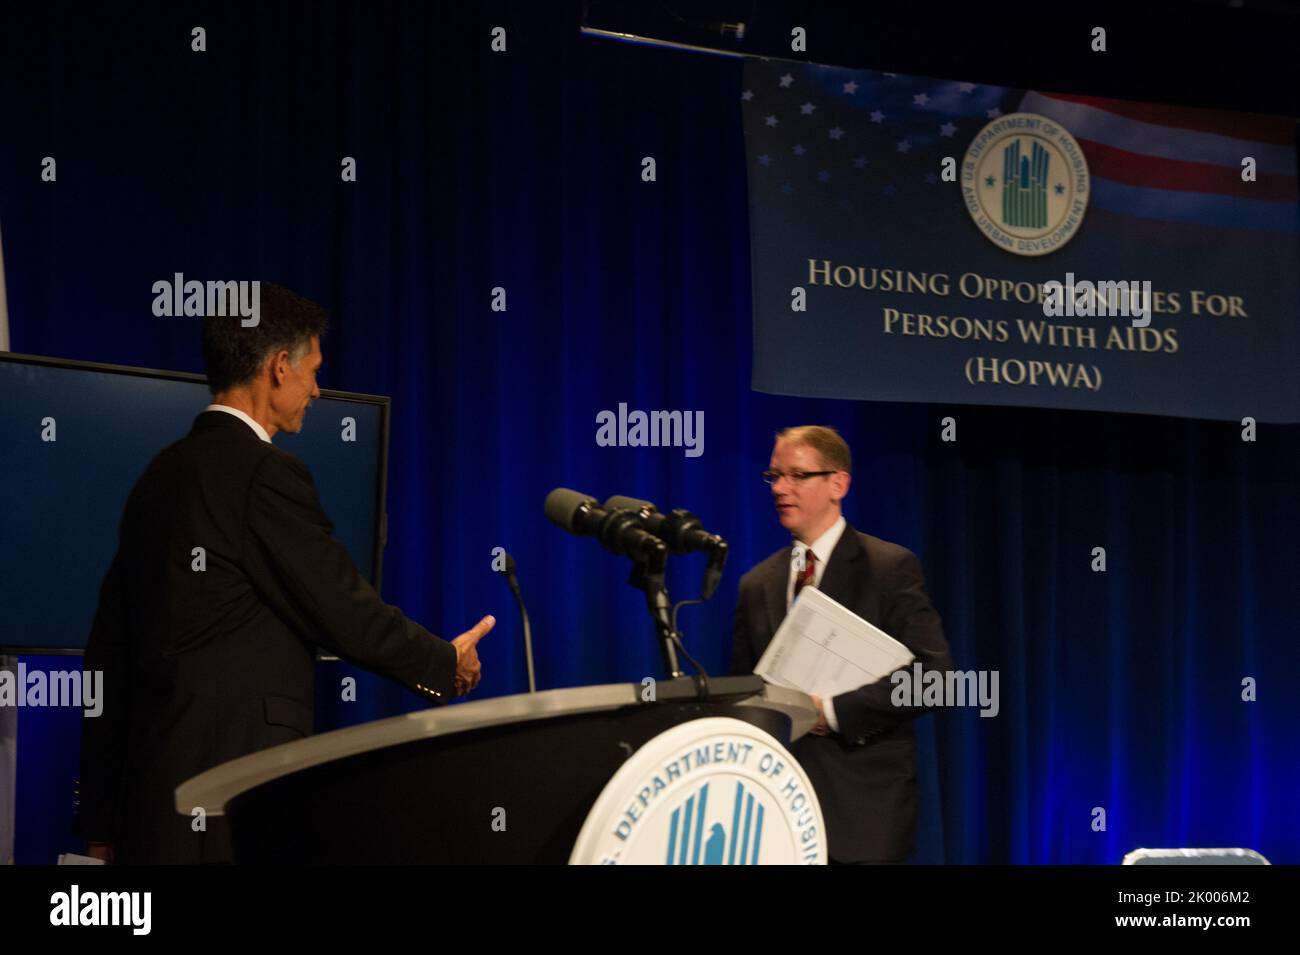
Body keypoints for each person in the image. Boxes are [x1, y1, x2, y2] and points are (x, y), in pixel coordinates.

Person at [76, 283, 493, 863]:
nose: (317, 389)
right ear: (277, 367)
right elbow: (343, 609)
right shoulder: (264, 473)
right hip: (232, 796)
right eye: (313, 370)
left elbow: (108, 656)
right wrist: (443, 665)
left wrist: (100, 821)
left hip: (150, 804)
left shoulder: (157, 478)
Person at [730, 425, 952, 863]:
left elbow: (935, 679)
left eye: (796, 475)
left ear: (838, 483)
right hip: (778, 805)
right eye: (774, 476)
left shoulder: (888, 567)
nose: (781, 488)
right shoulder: (756, 584)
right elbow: (742, 691)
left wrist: (827, 713)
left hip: (863, 807)